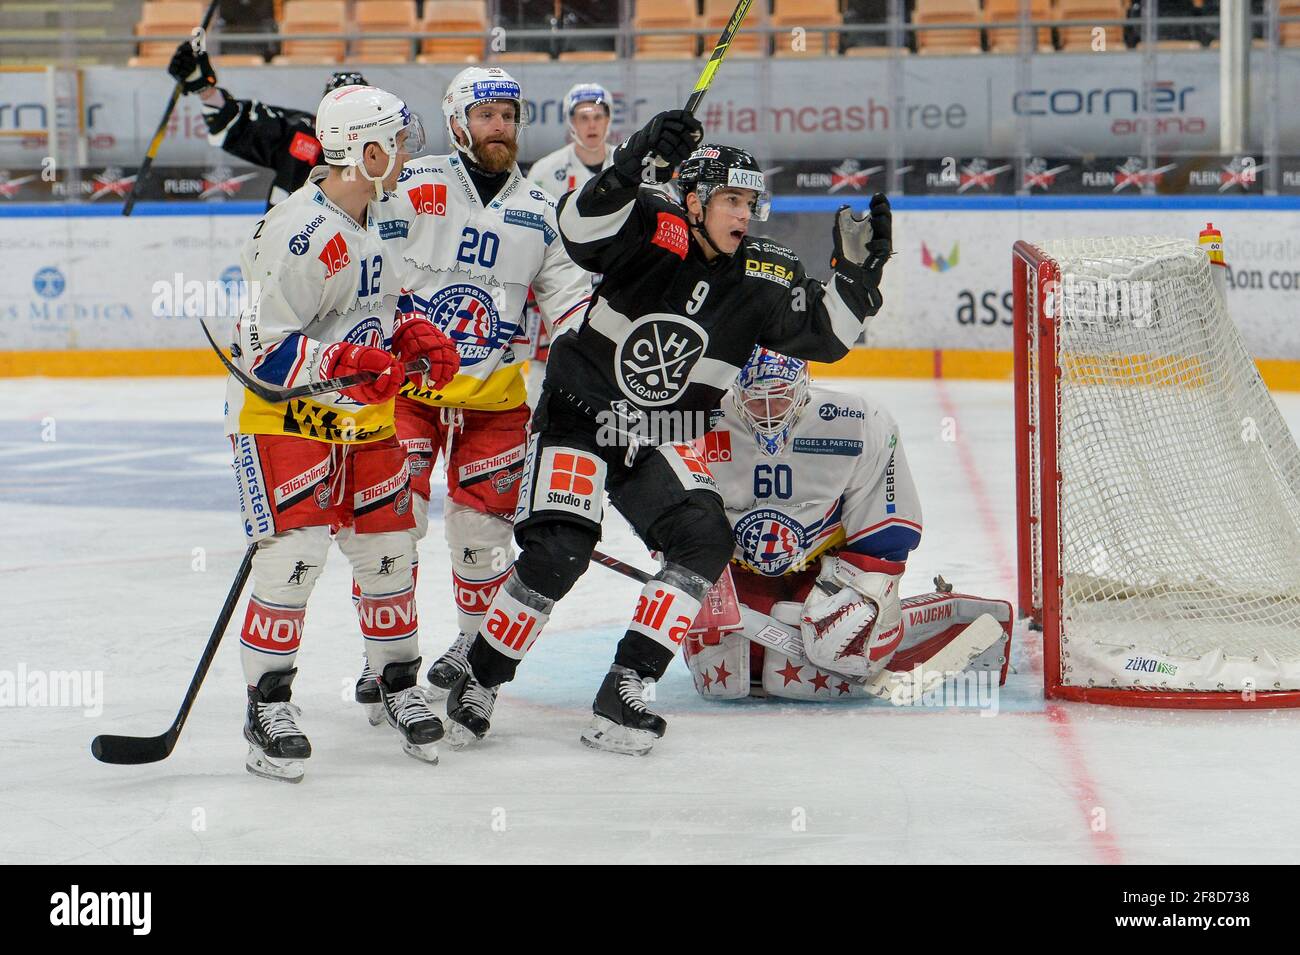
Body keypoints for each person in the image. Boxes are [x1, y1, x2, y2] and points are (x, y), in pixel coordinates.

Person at [444, 108, 895, 754]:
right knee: (560, 549)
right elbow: (577, 231)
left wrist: (856, 276)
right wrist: (631, 159)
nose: (743, 214)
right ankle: (479, 677)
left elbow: (825, 336)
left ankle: (625, 684)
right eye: (730, 200)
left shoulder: (761, 275)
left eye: (750, 201)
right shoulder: (655, 225)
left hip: (660, 428)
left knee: (703, 538)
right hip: (582, 409)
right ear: (694, 199)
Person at [226, 85, 459, 780]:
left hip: (363, 423)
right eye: (398, 137)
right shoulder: (299, 231)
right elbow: (259, 345)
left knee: (390, 549)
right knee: (292, 559)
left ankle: (395, 685)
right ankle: (266, 705)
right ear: (366, 150)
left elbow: (385, 292)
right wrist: (345, 360)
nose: (410, 149)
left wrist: (411, 327)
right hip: (287, 419)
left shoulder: (380, 213)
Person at [350, 67, 594, 728]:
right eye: (487, 116)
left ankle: (470, 645)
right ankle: (385, 653)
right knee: (389, 525)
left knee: (481, 534)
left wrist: (585, 365)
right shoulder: (413, 182)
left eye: (509, 117)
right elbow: (352, 240)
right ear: (459, 121)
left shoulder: (539, 209)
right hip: (406, 393)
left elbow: (571, 302)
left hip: (495, 399)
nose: (501, 128)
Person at [679, 347, 1008, 701]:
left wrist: (864, 594)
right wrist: (697, 575)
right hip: (733, 566)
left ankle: (927, 618)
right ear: (735, 392)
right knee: (726, 676)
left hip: (825, 571)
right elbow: (668, 514)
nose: (770, 414)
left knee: (836, 647)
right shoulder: (697, 421)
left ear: (803, 385)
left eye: (781, 397)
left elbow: (886, 530)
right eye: (757, 401)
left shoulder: (857, 422)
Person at [168, 36, 366, 207]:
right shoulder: (301, 131)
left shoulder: (384, 151)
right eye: (339, 104)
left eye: (354, 105)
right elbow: (241, 123)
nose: (345, 116)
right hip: (285, 245)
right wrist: (205, 90)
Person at [521, 82, 616, 406]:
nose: (591, 124)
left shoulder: (629, 166)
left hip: (614, 285)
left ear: (608, 119)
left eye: (598, 116)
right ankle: (536, 424)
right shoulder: (546, 171)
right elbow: (527, 230)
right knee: (545, 361)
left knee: (610, 364)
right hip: (558, 283)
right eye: (582, 117)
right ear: (570, 122)